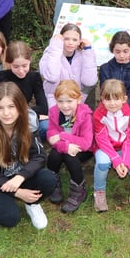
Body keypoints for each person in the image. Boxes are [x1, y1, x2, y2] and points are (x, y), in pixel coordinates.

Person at [0, 82, 57, 229]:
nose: (6, 113)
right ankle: (4, 199)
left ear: (20, 106)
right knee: (10, 219)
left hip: (19, 176)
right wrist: (18, 193)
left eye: (11, 106)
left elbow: (39, 156)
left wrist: (21, 177)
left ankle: (32, 203)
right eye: (0, 108)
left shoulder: (28, 125)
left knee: (49, 179)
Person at [92, 79, 130, 212]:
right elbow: (101, 138)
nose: (112, 103)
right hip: (104, 148)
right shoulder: (98, 115)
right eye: (108, 99)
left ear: (124, 99)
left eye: (116, 99)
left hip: (123, 148)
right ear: (102, 99)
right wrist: (115, 160)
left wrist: (125, 162)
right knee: (102, 164)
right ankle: (99, 192)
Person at [46, 80, 94, 213]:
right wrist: (65, 146)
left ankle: (79, 189)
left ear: (79, 99)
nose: (65, 106)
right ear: (56, 100)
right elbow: (51, 135)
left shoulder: (85, 115)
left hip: (85, 149)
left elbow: (86, 142)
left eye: (69, 101)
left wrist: (62, 136)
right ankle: (53, 183)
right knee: (55, 154)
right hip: (65, 146)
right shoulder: (54, 112)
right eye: (60, 101)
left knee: (69, 157)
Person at [0, 40, 50, 138]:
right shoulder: (1, 78)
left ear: (30, 60)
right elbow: (0, 107)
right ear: (8, 63)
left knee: (46, 125)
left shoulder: (34, 78)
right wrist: (33, 114)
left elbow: (43, 108)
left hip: (27, 119)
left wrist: (26, 114)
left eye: (24, 66)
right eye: (16, 66)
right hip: (8, 119)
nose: (21, 71)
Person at [39, 23, 98, 104]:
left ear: (79, 42)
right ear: (60, 39)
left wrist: (88, 51)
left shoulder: (83, 55)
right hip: (54, 101)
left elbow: (89, 82)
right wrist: (56, 46)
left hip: (75, 101)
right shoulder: (50, 53)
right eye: (66, 39)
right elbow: (52, 77)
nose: (70, 43)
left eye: (74, 40)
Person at [98, 30, 130, 110]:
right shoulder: (104, 69)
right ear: (112, 50)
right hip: (108, 110)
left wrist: (122, 111)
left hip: (128, 112)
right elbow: (105, 94)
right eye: (118, 52)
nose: (122, 55)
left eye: (125, 51)